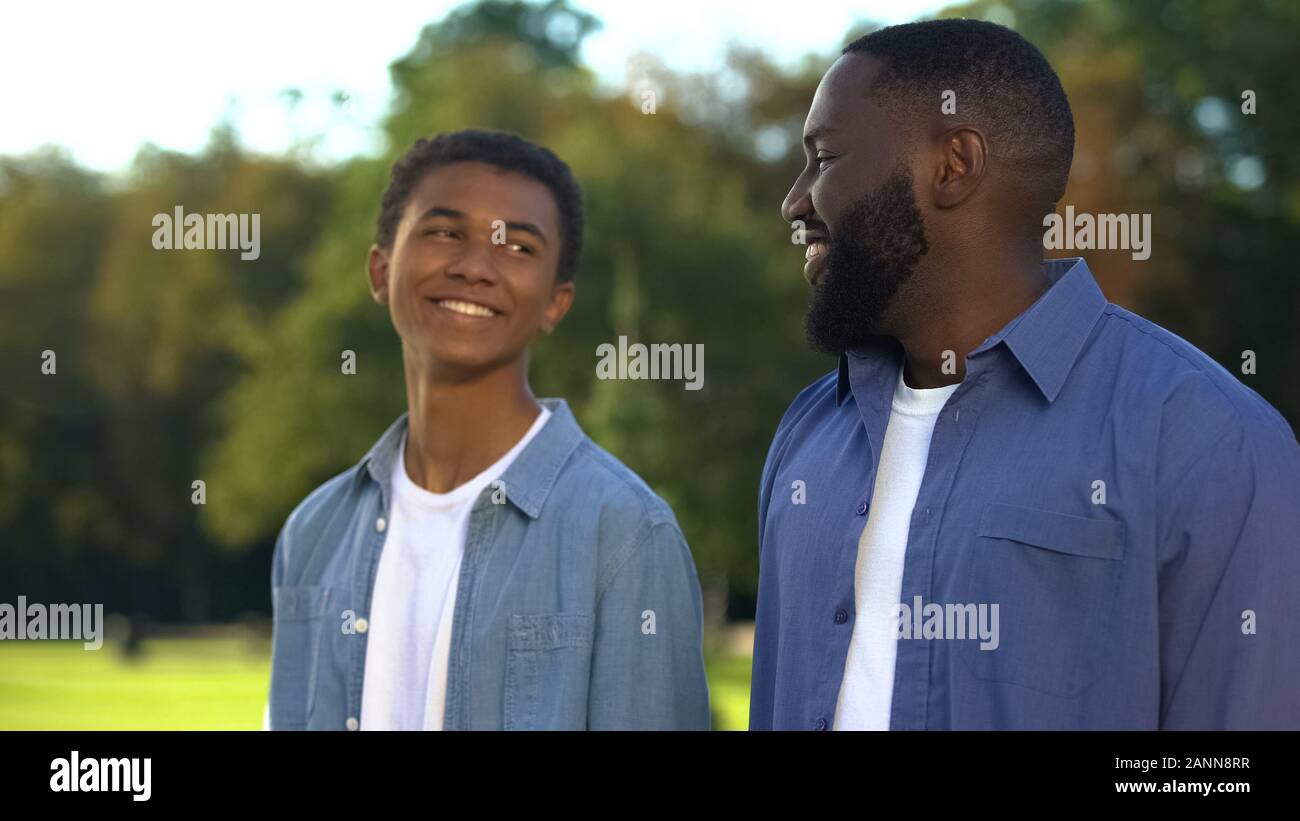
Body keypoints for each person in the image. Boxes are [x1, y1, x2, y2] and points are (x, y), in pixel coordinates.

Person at [751, 19, 1300, 730]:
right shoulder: (808, 434)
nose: (795, 202)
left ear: (953, 165)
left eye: (824, 158)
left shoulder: (1213, 443)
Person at [267, 129, 710, 730]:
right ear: (381, 269)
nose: (476, 266)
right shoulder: (313, 533)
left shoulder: (626, 534)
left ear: (557, 303)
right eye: (446, 232)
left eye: (519, 247)